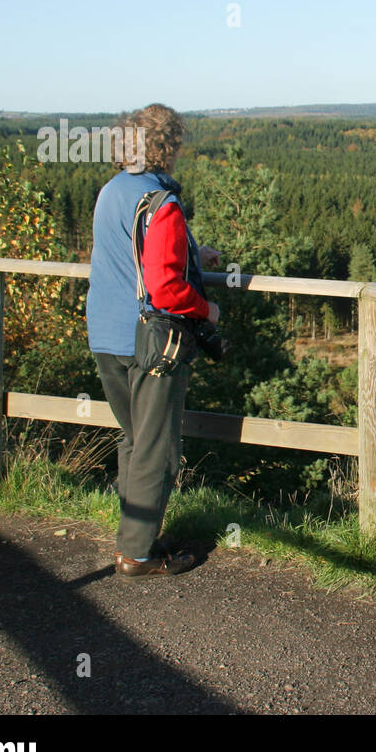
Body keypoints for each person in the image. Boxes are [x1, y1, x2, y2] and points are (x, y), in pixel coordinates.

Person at [85, 103, 222, 577]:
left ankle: (135, 537)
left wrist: (192, 254)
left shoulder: (112, 191)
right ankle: (137, 555)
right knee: (156, 449)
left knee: (133, 438)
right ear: (168, 147)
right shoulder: (160, 202)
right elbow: (165, 289)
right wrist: (209, 309)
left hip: (106, 333)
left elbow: (132, 255)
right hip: (150, 342)